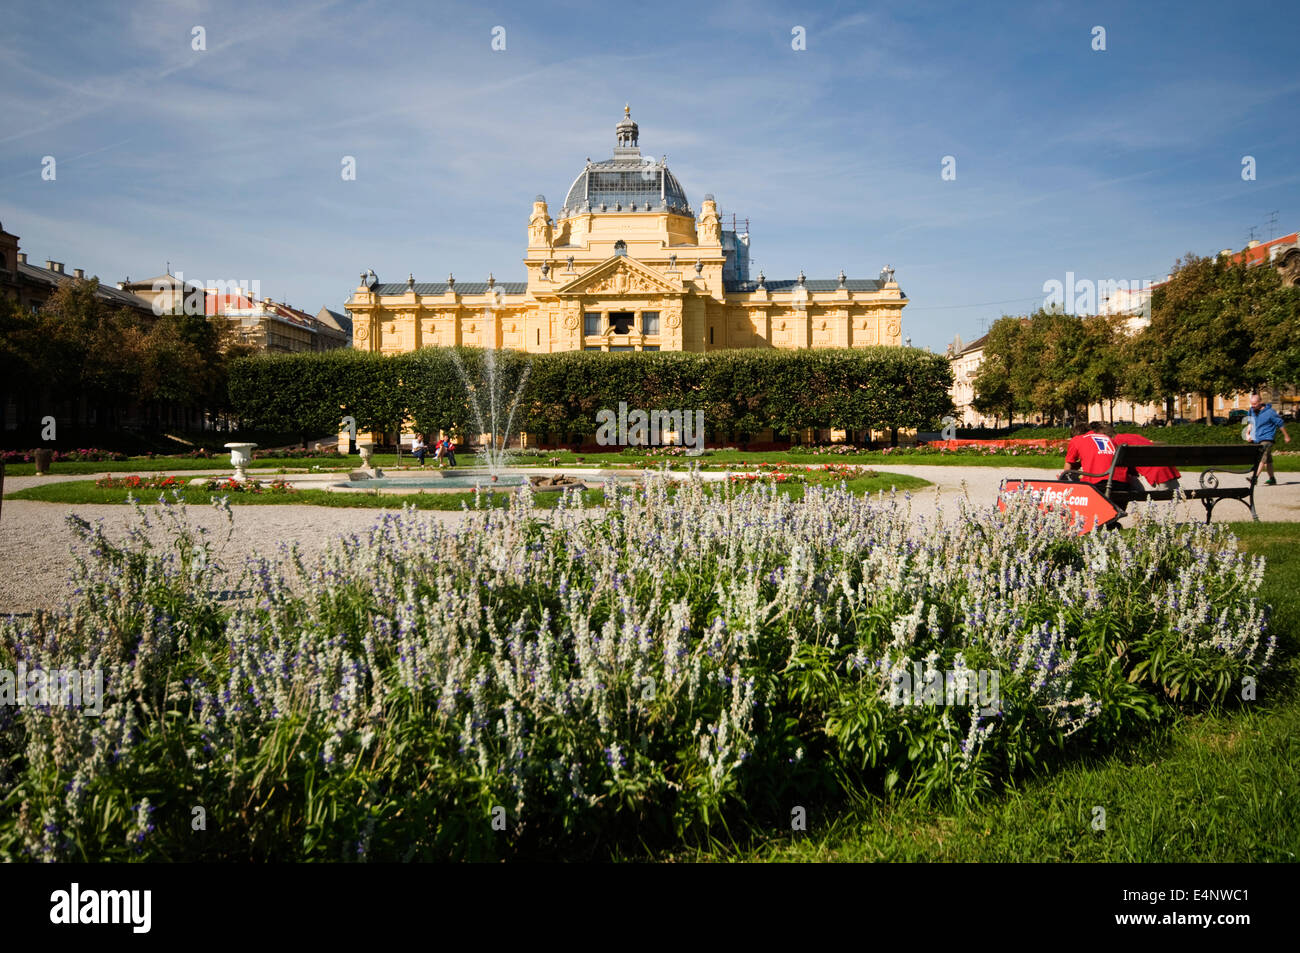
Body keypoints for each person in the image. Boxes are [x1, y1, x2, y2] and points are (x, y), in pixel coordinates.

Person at [1100, 423, 1180, 491]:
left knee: (1121, 480)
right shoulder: (1134, 436)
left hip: (1154, 480)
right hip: (1170, 474)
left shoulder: (1116, 442)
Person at [1246, 393, 1291, 485]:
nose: (1253, 406)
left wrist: (1286, 436)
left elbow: (1280, 423)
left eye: (1254, 404)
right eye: (1251, 404)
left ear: (1260, 402)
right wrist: (1248, 434)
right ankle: (1272, 478)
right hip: (1257, 438)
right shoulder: (1251, 410)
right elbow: (1251, 423)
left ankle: (1254, 478)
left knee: (1262, 457)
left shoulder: (1270, 412)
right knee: (1267, 459)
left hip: (1267, 438)